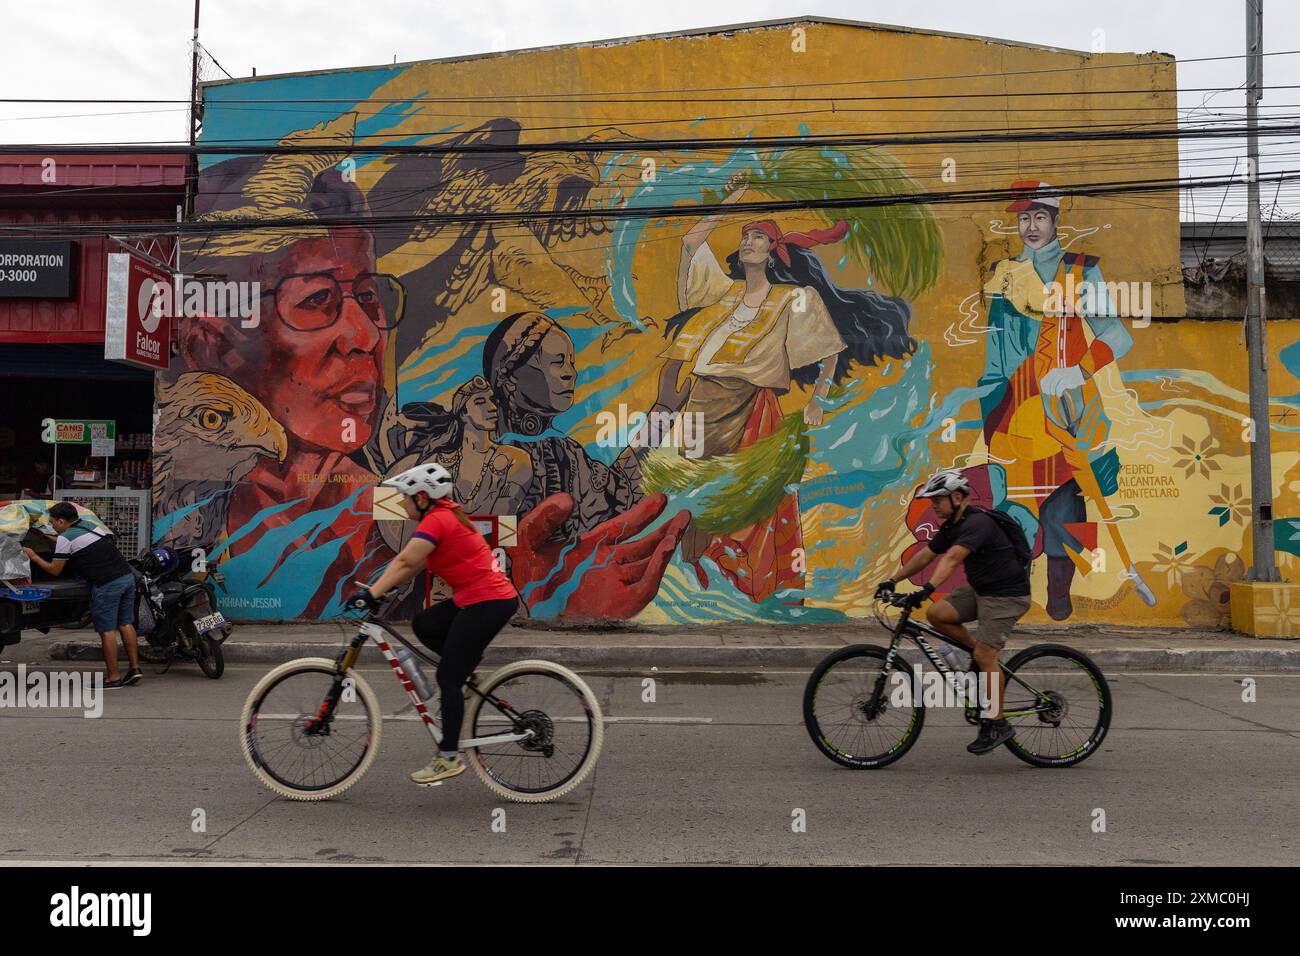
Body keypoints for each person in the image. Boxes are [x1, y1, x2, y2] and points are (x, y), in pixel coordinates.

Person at [653, 170, 914, 602]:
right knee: (697, 498)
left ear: (773, 252)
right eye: (744, 236)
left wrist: (818, 399)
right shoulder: (723, 293)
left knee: (752, 505)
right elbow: (690, 244)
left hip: (750, 408)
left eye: (757, 236)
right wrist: (731, 196)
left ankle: (752, 586)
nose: (747, 242)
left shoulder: (792, 299)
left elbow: (830, 350)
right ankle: (699, 584)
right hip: (701, 406)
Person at [978, 179, 1154, 619]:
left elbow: (1117, 335)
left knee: (1066, 500)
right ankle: (1013, 589)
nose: (1031, 226)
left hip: (1068, 405)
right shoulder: (1004, 275)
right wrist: (991, 402)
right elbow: (995, 349)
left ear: (1056, 221)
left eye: (1039, 217)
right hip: (1015, 403)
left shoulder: (1079, 270)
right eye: (1023, 218)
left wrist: (1079, 369)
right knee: (1012, 501)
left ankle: (1061, 590)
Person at [347, 462, 519, 786]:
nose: (402, 503)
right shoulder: (444, 516)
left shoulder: (438, 520)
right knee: (425, 624)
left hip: (487, 601)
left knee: (448, 678)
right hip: (479, 598)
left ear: (423, 498)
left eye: (406, 497)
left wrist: (371, 594)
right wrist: (384, 590)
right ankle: (465, 671)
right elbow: (413, 566)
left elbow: (405, 561)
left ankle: (449, 756)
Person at [877, 469, 1032, 755]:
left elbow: (953, 557)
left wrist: (928, 587)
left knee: (987, 655)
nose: (933, 505)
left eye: (938, 499)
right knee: (937, 614)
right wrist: (892, 580)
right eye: (931, 500)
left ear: (957, 497)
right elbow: (927, 554)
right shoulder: (952, 525)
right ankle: (979, 656)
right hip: (981, 591)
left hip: (1006, 595)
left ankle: (997, 723)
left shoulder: (978, 523)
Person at [23, 502, 141, 688]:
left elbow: (55, 570)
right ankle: (134, 669)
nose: (52, 525)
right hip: (126, 577)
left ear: (62, 521)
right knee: (125, 623)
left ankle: (113, 677)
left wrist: (34, 556)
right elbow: (79, 543)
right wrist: (51, 538)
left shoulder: (65, 539)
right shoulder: (91, 526)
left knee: (107, 630)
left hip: (106, 584)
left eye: (53, 522)